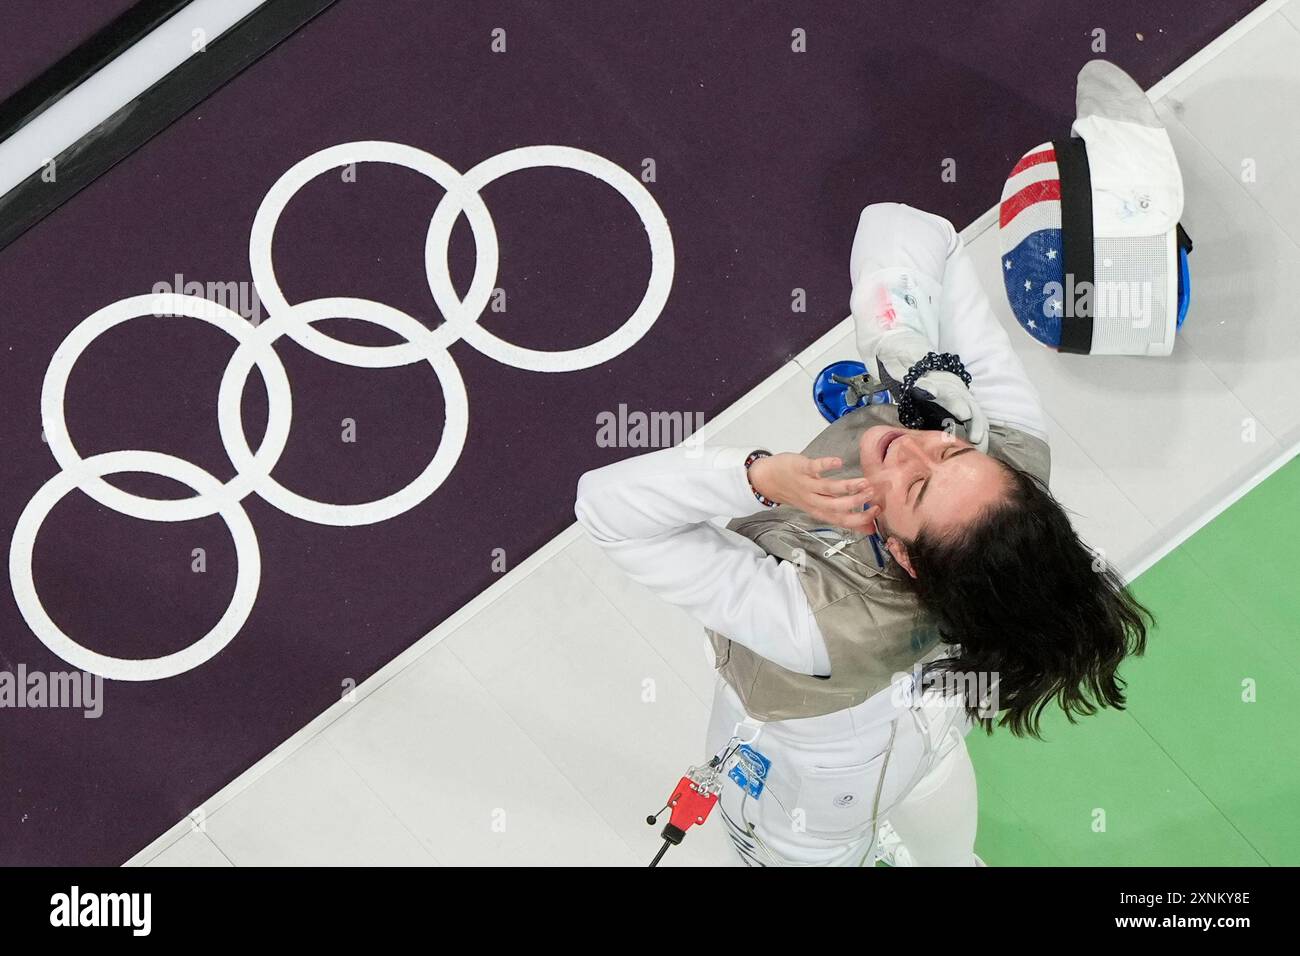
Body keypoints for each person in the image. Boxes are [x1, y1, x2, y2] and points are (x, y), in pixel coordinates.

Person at [575, 203, 1151, 866]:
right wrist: (902, 347)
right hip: (935, 729)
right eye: (953, 452)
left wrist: (755, 477)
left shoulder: (818, 622)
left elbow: (606, 509)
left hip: (822, 791)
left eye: (916, 486)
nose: (913, 446)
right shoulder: (1010, 465)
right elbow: (911, 225)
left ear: (903, 554)